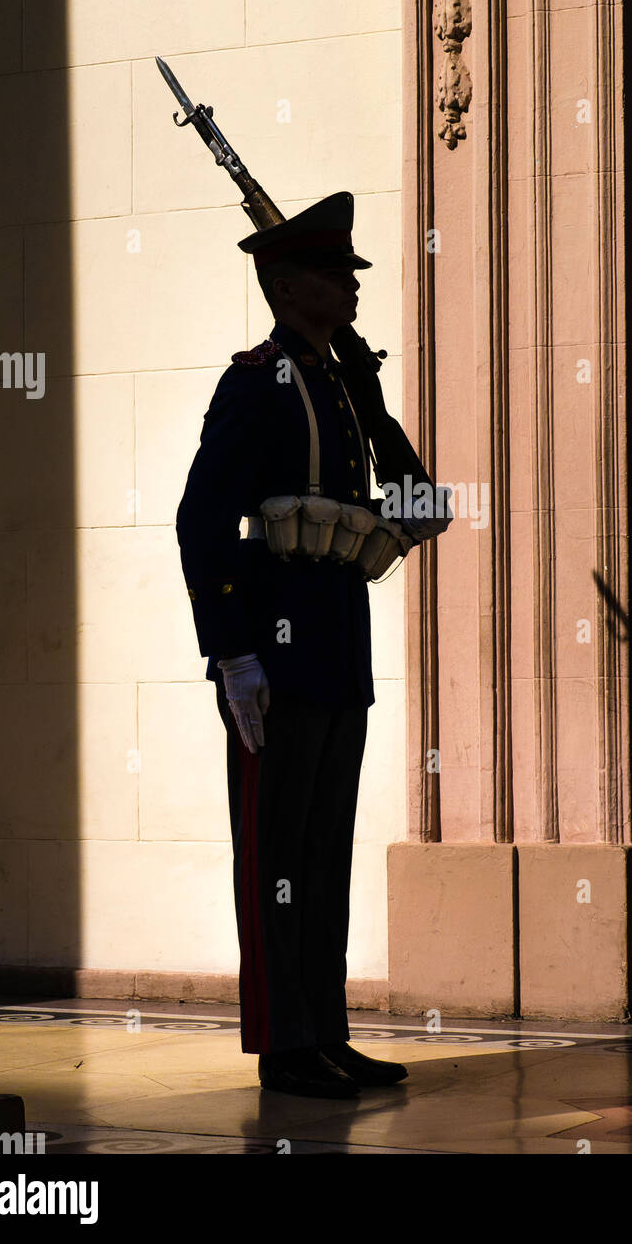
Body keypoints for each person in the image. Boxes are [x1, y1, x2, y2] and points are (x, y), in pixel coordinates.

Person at [175, 192, 444, 1099]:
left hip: (336, 646)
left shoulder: (338, 386)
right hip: (275, 652)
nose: (351, 286)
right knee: (275, 853)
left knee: (324, 853)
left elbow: (415, 506)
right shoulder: (253, 383)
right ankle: (284, 1046)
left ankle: (325, 1033)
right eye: (336, 275)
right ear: (288, 287)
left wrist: (371, 396)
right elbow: (202, 520)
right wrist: (231, 652)